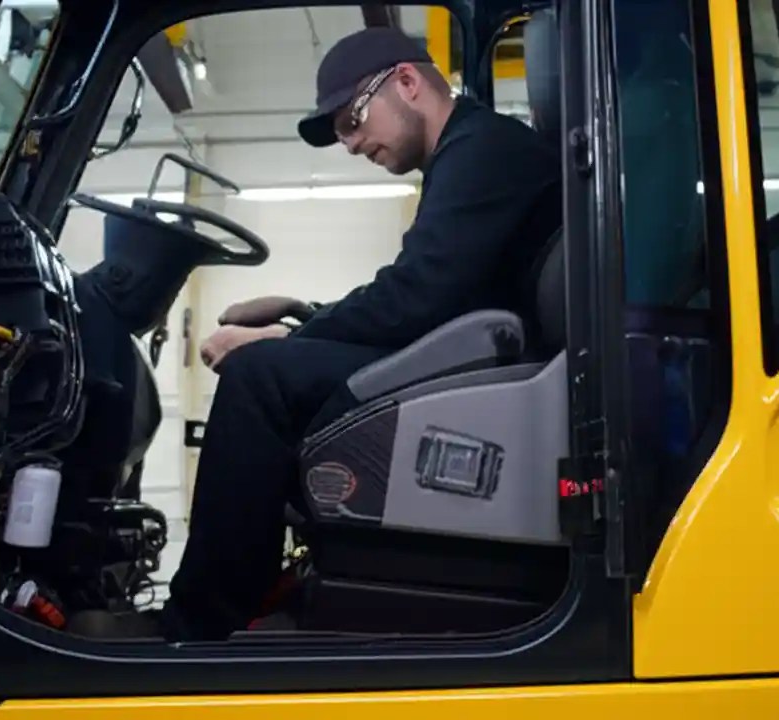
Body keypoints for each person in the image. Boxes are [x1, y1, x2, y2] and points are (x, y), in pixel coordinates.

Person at [146, 27, 561, 642]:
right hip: (469, 344)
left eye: (353, 120)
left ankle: (199, 626)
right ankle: (256, 589)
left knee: (258, 379)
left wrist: (287, 341)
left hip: (488, 356)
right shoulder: (468, 152)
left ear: (407, 82)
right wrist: (301, 312)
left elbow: (415, 297)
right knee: (275, 371)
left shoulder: (482, 150)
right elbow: (422, 289)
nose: (349, 143)